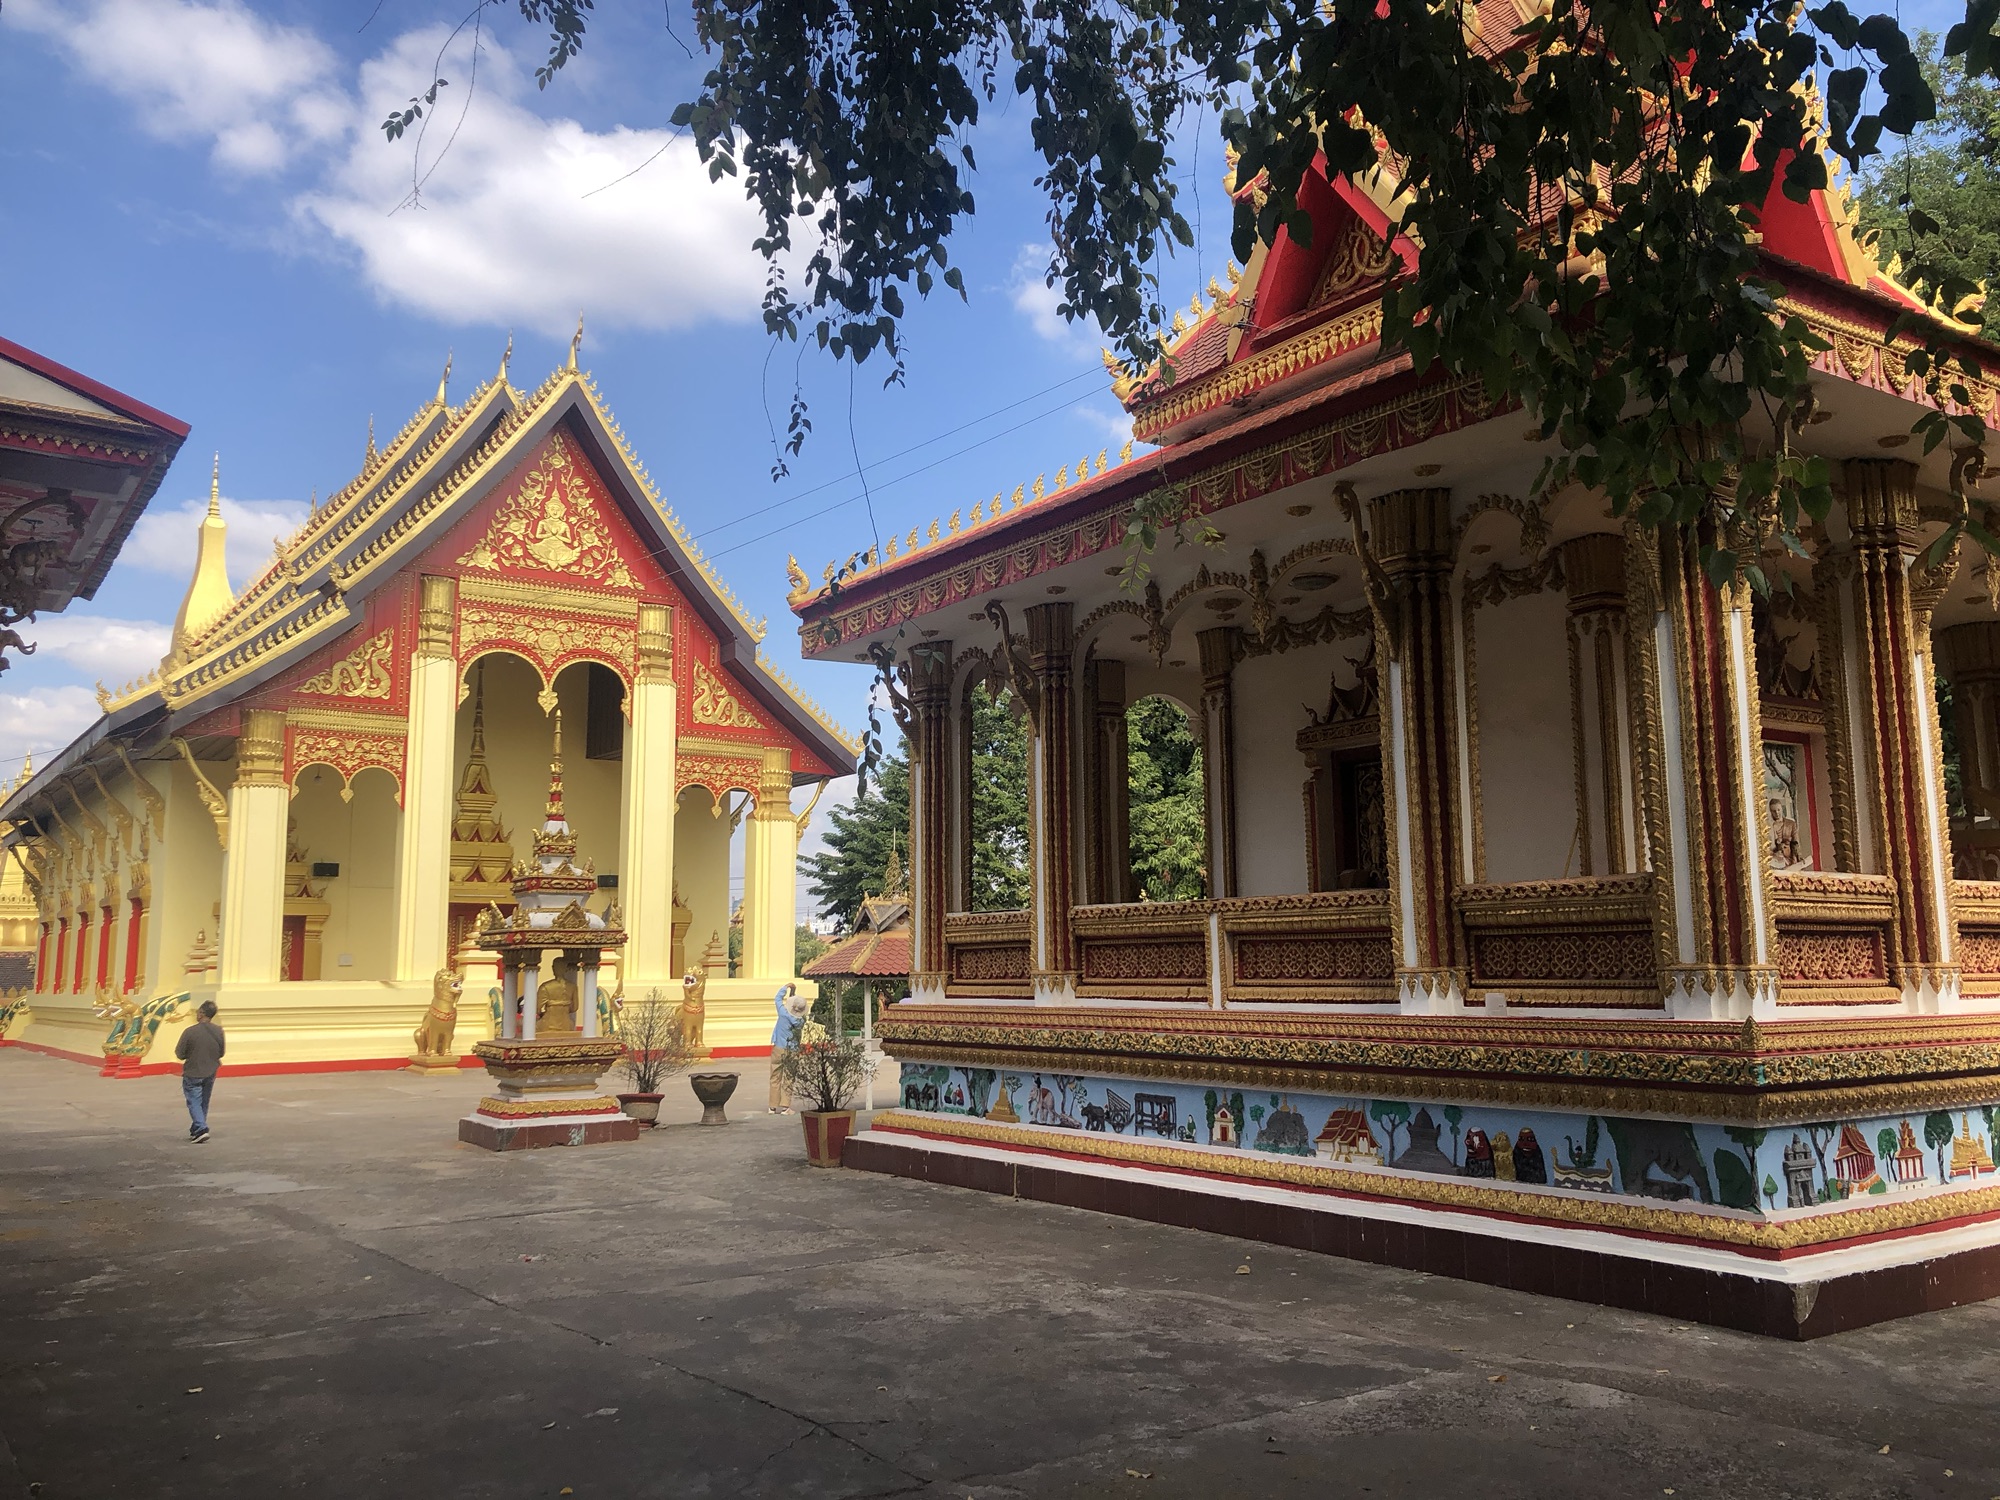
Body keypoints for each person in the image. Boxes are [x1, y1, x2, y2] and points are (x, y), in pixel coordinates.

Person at [175, 1000, 225, 1144]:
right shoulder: (218, 1031)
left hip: (193, 1071)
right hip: (211, 1070)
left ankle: (201, 1128)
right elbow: (221, 1052)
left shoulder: (190, 1032)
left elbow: (180, 1053)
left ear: (201, 1013)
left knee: (194, 1101)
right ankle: (196, 1128)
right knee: (203, 1101)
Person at [768, 983, 806, 1113]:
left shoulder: (783, 1013)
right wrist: (793, 995)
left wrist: (786, 987)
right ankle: (785, 1107)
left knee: (775, 1077)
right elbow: (794, 1009)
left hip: (779, 1048)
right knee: (789, 1078)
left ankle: (772, 1107)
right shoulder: (801, 1021)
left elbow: (777, 999)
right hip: (793, 1050)